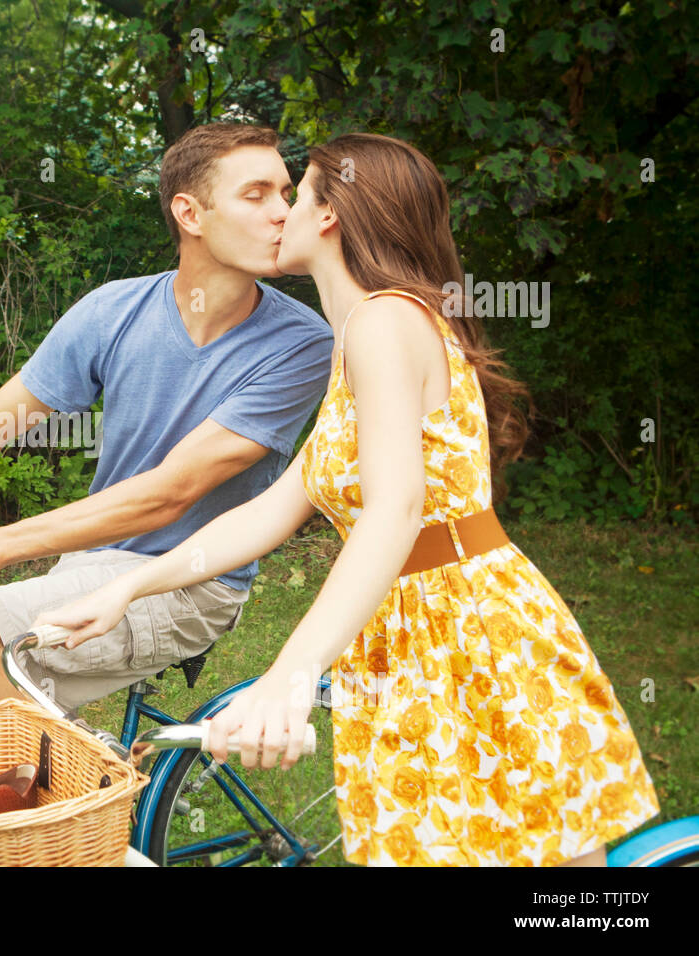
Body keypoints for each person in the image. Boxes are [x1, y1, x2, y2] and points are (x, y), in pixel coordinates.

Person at [34, 132, 660, 866]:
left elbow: (395, 511)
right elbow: (271, 511)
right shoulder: (357, 337)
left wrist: (287, 677)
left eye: (294, 193)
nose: (282, 212)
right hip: (403, 633)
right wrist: (131, 585)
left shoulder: (385, 322)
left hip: (464, 633)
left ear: (329, 216)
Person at [0, 122, 333, 716]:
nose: (284, 212)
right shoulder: (114, 310)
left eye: (286, 193)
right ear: (190, 213)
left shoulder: (302, 344)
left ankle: (88, 798)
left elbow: (171, 494)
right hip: (92, 563)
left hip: (192, 580)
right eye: (256, 194)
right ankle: (80, 791)